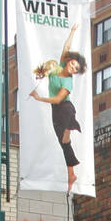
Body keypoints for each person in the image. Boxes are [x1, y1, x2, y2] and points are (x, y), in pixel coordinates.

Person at [29, 25, 87, 193]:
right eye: (73, 64)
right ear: (69, 61)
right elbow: (66, 47)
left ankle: (70, 129)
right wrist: (73, 32)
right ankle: (71, 174)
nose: (73, 68)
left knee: (65, 138)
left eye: (76, 69)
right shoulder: (60, 66)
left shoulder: (68, 82)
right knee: (64, 143)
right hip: (56, 112)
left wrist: (39, 98)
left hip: (65, 108)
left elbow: (57, 99)